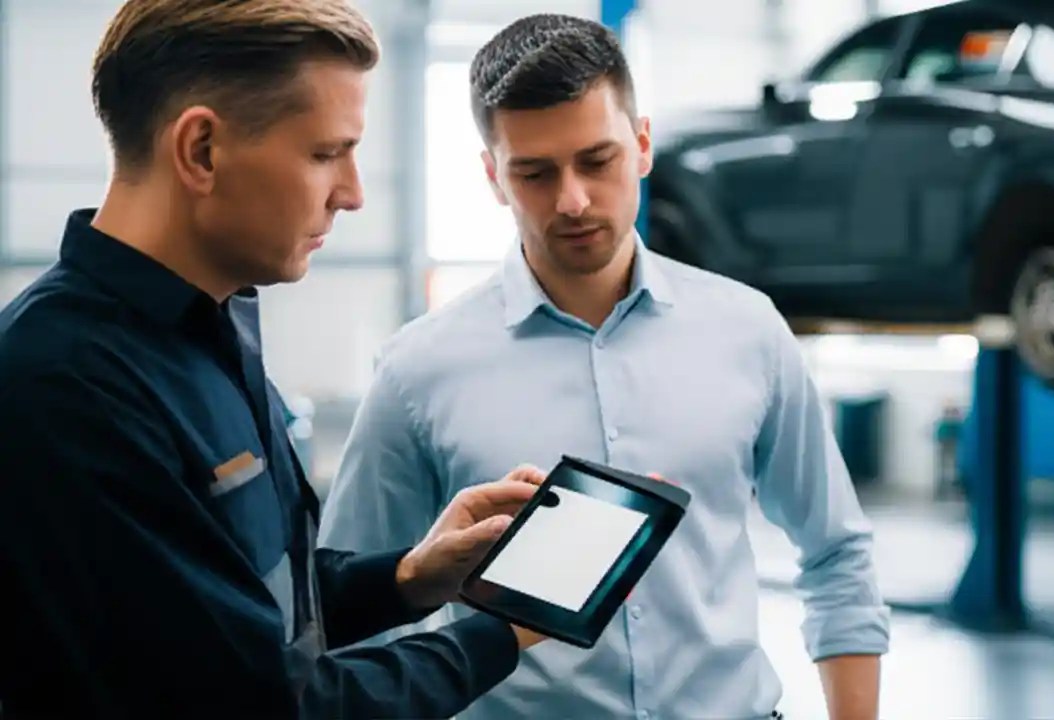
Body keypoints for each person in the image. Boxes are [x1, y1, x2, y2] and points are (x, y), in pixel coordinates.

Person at [318, 13, 890, 720]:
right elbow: (345, 611)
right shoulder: (416, 372)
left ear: (642, 145)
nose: (573, 201)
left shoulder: (748, 332)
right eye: (534, 172)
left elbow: (835, 553)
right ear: (493, 176)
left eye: (598, 160)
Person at [0, 2, 550, 717]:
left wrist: (410, 578)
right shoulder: (66, 383)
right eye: (326, 154)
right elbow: (267, 704)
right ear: (201, 150)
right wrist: (501, 634)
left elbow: (244, 612)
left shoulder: (213, 326)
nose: (351, 193)